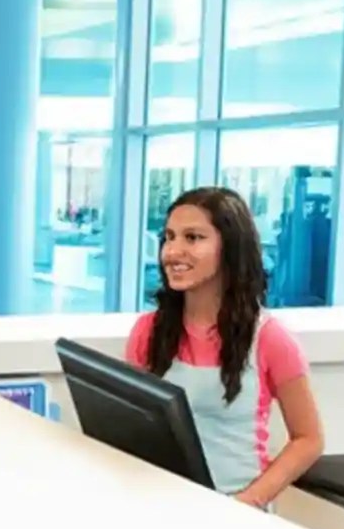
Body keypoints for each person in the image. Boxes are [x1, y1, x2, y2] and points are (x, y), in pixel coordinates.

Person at [124, 187, 324, 506]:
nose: (173, 252)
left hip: (235, 509)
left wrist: (250, 500)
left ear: (230, 248)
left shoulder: (271, 339)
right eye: (169, 237)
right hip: (161, 502)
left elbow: (309, 439)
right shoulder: (149, 330)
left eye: (193, 238)